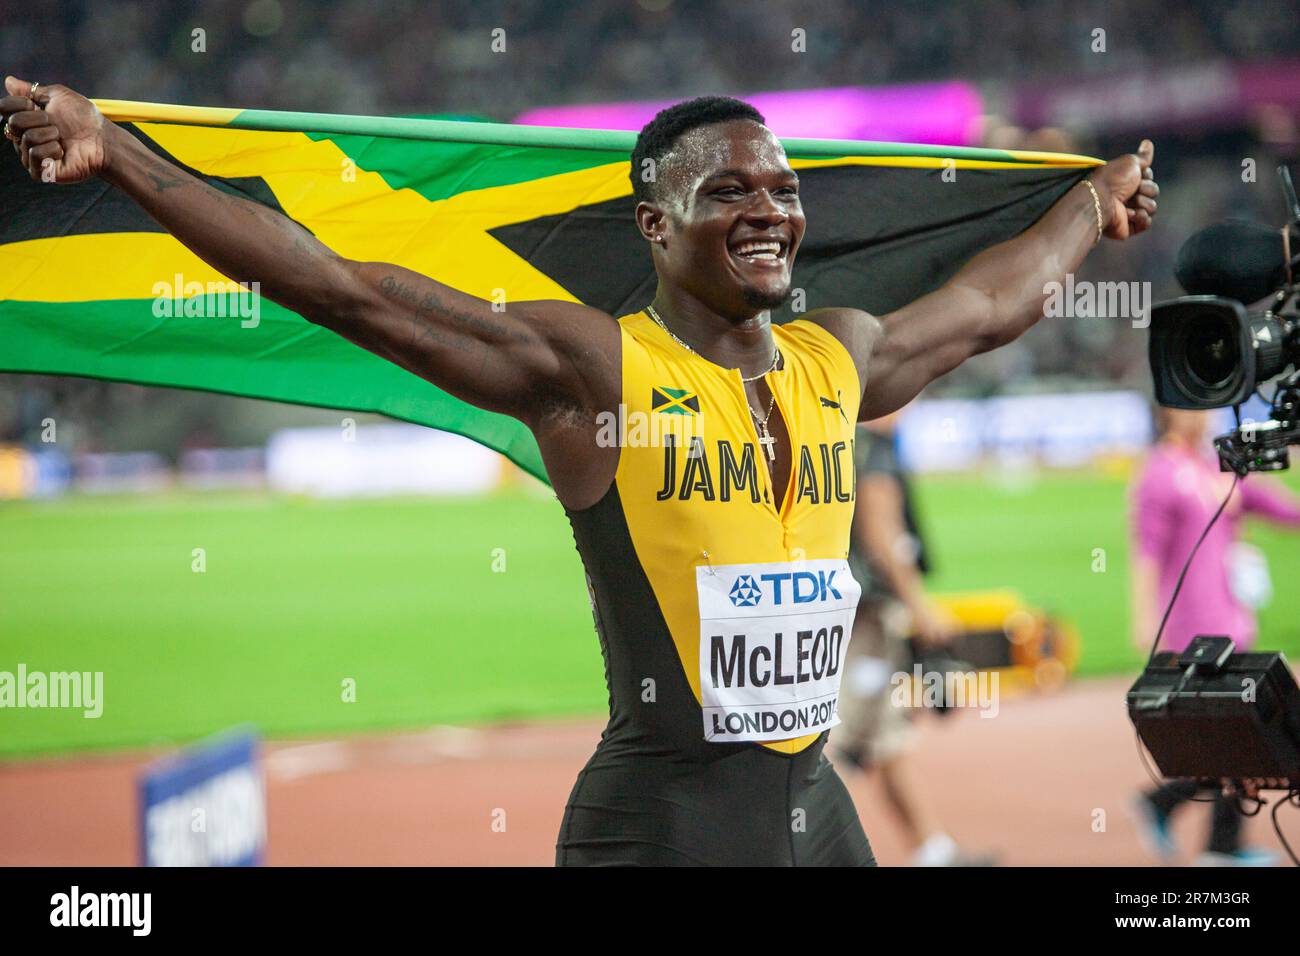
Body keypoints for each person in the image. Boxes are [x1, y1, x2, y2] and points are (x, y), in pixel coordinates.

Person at [1, 79, 1159, 866]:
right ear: (654, 227)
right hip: (657, 829)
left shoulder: (839, 354)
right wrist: (127, 160)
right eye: (730, 193)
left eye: (782, 189)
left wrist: (1085, 205)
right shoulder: (592, 371)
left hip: (819, 821)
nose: (769, 212)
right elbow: (339, 283)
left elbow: (993, 304)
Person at [1130, 407, 1300, 866]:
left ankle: (1176, 813)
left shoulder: (1215, 465)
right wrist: (1145, 619)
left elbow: (1282, 509)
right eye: (1195, 405)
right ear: (1168, 411)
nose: (1206, 415)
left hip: (1231, 619)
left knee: (1235, 733)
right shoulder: (1160, 474)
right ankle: (1218, 845)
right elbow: (1145, 552)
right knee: (1238, 733)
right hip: (1192, 626)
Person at [831, 411, 992, 866]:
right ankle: (799, 850)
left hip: (844, 606)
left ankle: (933, 850)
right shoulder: (874, 448)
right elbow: (882, 536)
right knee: (837, 744)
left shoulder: (843, 438)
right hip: (869, 618)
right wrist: (919, 606)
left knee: (887, 738)